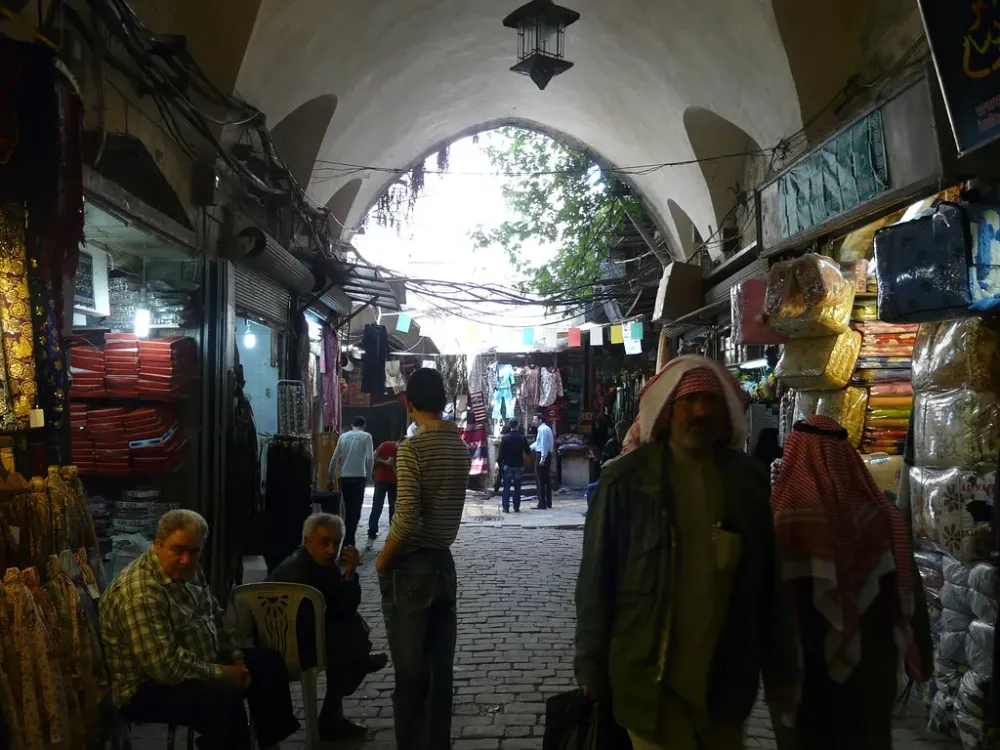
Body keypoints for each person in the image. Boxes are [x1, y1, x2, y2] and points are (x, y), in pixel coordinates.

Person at [575, 356, 800, 750]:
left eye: (711, 402)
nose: (700, 411)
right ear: (667, 412)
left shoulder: (746, 483)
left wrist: (781, 672)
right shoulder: (625, 482)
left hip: (724, 683)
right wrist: (591, 664)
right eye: (688, 401)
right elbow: (596, 579)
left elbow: (768, 587)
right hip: (650, 678)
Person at [769, 415, 933, 749]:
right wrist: (922, 656)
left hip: (804, 666)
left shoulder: (783, 518)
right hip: (871, 666)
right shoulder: (879, 513)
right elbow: (907, 589)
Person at [100, 510, 300, 750]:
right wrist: (223, 673)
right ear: (158, 545)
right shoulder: (140, 592)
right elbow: (165, 668)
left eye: (194, 551)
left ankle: (270, 744)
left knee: (268, 664)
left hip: (194, 661)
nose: (186, 559)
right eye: (178, 550)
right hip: (145, 687)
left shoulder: (188, 568)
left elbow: (215, 614)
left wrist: (236, 658)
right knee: (223, 698)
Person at [375, 367, 471, 750]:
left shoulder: (411, 449)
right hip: (443, 566)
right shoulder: (460, 447)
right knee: (439, 673)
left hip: (411, 570)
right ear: (444, 402)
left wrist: (383, 560)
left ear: (409, 404)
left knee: (410, 675)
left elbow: (407, 513)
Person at [268, 513, 389, 741]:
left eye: (336, 543)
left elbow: (342, 607)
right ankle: (359, 664)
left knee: (349, 631)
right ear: (307, 540)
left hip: (298, 639)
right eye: (325, 542)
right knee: (348, 638)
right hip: (291, 647)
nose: (331, 550)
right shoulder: (304, 570)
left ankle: (357, 663)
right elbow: (339, 611)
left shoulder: (315, 564)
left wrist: (350, 574)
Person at [328, 415, 374, 547]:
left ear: (352, 425)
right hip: (359, 477)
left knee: (348, 510)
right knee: (355, 511)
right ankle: (348, 545)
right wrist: (369, 476)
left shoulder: (343, 437)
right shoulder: (366, 437)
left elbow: (334, 458)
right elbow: (370, 459)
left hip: (345, 478)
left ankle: (348, 543)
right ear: (364, 426)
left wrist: (330, 478)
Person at [585, 420, 629, 510]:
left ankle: (592, 513)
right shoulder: (614, 444)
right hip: (619, 477)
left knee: (590, 488)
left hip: (620, 479)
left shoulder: (616, 444)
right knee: (591, 488)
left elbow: (604, 464)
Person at [369, 432, 402, 540]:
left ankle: (393, 531)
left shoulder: (404, 451)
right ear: (397, 442)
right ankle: (372, 531)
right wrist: (386, 462)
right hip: (381, 480)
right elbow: (373, 457)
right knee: (377, 506)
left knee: (394, 507)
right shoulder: (386, 445)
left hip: (395, 481)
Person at [498, 419, 532, 513]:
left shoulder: (505, 438)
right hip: (518, 465)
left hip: (508, 465)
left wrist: (500, 464)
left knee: (506, 487)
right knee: (517, 487)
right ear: (517, 425)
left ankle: (506, 507)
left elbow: (501, 454)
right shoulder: (522, 438)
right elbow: (528, 451)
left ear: (510, 426)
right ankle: (516, 506)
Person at [531, 413, 554, 510]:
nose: (533, 422)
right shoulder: (546, 429)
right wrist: (530, 448)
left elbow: (543, 444)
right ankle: (548, 502)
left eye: (535, 419)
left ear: (540, 420)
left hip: (542, 454)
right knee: (546, 479)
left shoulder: (542, 429)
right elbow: (539, 443)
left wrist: (542, 458)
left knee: (540, 480)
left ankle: (542, 503)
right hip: (546, 454)